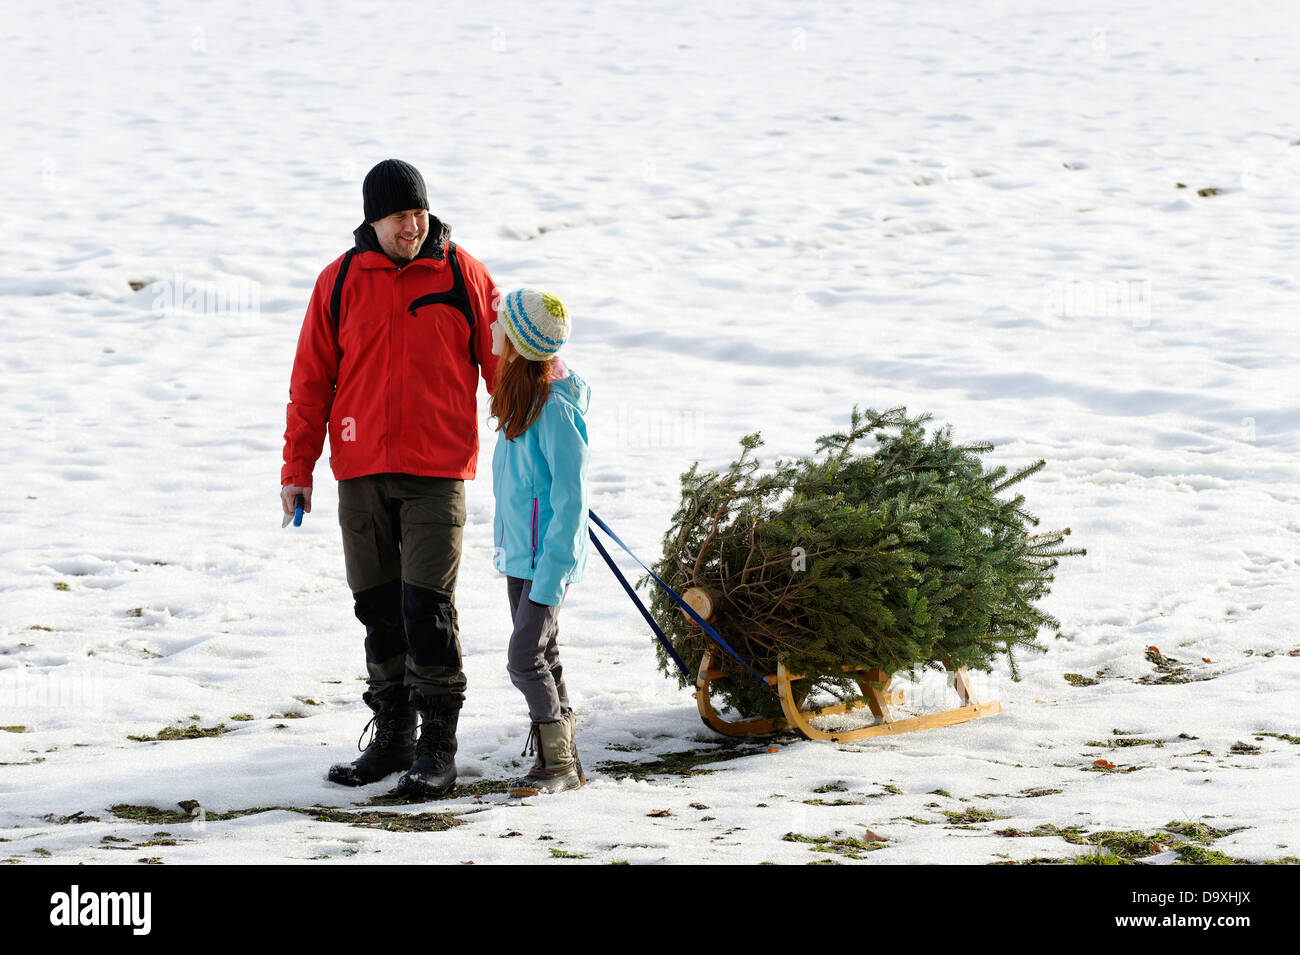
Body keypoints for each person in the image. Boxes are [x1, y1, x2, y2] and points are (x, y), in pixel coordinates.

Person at [280, 159, 500, 798]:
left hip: (437, 470)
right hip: (361, 470)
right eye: (401, 214)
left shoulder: (463, 274)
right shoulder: (341, 280)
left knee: (427, 607)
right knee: (377, 607)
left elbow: (502, 363)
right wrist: (297, 469)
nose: (413, 224)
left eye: (420, 212)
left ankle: (439, 746)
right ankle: (395, 734)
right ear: (374, 219)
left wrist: (541, 412)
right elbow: (310, 382)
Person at [488, 288, 591, 796]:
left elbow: (570, 504)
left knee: (523, 656)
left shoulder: (552, 413)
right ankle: (563, 759)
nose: (491, 331)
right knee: (544, 654)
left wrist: (553, 573)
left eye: (499, 324)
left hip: (547, 562)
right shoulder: (521, 404)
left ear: (518, 344)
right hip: (522, 559)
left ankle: (558, 764)